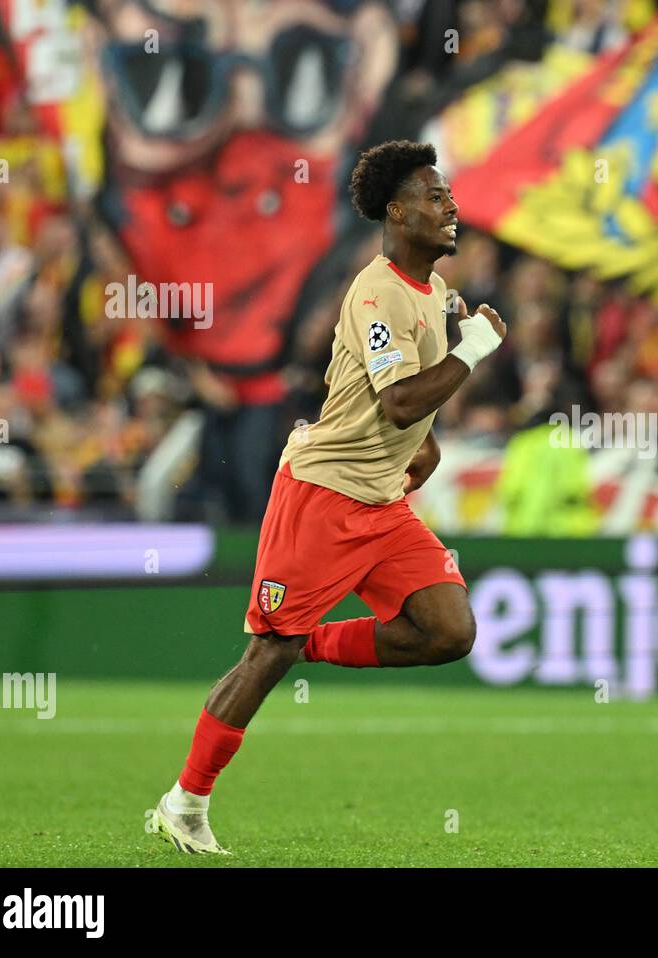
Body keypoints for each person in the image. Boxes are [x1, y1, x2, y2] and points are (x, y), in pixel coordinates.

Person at [150, 141, 507, 854]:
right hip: (321, 496)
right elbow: (401, 401)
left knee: (449, 630)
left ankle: (307, 641)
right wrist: (473, 349)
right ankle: (184, 801)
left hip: (380, 502)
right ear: (397, 212)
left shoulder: (435, 294)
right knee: (264, 659)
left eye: (450, 197)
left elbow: (405, 414)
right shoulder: (375, 293)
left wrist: (422, 450)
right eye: (436, 198)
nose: (451, 208)